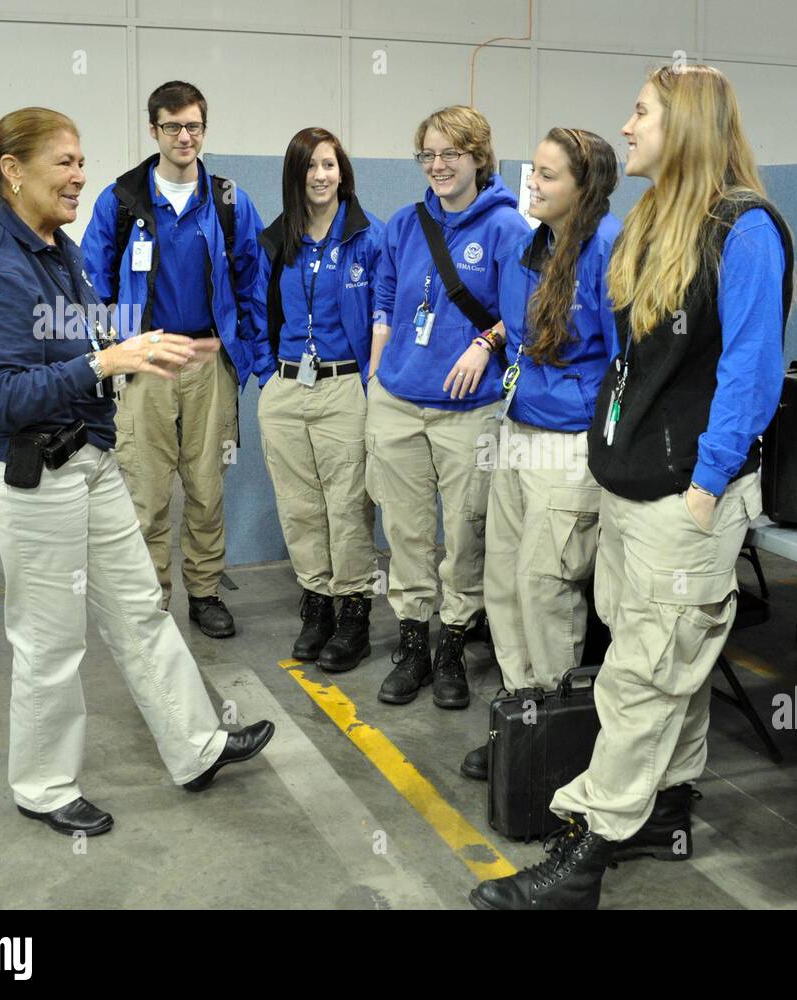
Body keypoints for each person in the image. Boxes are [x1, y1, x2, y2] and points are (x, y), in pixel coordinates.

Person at [471, 65, 793, 909]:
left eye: (642, 112)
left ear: (684, 124)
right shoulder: (654, 222)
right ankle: (666, 807)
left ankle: (586, 850)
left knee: (641, 679)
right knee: (662, 663)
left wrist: (708, 482)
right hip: (630, 483)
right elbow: (631, 364)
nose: (627, 124)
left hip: (685, 493)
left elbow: (751, 374)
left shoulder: (746, 229)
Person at [0, 108, 274, 837]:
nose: (80, 175)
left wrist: (135, 342)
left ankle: (196, 746)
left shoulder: (54, 250)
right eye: (63, 163)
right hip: (23, 476)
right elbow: (0, 395)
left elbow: (83, 335)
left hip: (82, 461)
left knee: (138, 610)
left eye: (80, 160)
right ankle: (42, 785)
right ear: (13, 171)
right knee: (50, 641)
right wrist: (105, 362)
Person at [459, 128, 621, 780]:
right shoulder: (532, 248)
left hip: (570, 446)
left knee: (544, 588)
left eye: (550, 176)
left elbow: (622, 363)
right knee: (502, 580)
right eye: (536, 172)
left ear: (585, 187)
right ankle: (520, 719)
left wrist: (605, 452)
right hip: (517, 430)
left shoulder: (608, 250)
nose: (534, 183)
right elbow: (516, 337)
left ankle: (557, 736)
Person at [82, 80, 264, 638]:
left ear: (204, 130)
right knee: (147, 492)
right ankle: (151, 598)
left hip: (207, 363)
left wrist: (243, 354)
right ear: (153, 129)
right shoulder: (121, 200)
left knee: (207, 489)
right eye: (172, 127)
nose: (184, 137)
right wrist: (115, 349)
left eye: (194, 126)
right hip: (146, 364)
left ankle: (205, 593)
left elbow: (253, 279)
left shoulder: (229, 200)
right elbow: (91, 281)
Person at [366, 106, 530, 708]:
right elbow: (385, 291)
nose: (437, 166)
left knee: (465, 531)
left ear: (478, 157)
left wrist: (485, 345)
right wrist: (378, 368)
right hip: (398, 401)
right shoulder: (406, 225)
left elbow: (524, 315)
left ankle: (453, 642)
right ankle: (413, 641)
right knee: (406, 530)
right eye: (428, 155)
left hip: (470, 409)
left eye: (450, 155)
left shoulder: (509, 229)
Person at [250, 128, 384, 670]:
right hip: (286, 389)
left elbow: (384, 315)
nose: (321, 176)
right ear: (296, 176)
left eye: (329, 165)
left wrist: (370, 382)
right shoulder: (276, 239)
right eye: (311, 167)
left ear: (342, 172)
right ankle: (317, 602)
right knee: (300, 504)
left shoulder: (365, 238)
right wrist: (266, 374)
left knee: (348, 503)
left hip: (343, 386)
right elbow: (255, 311)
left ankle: (353, 611)